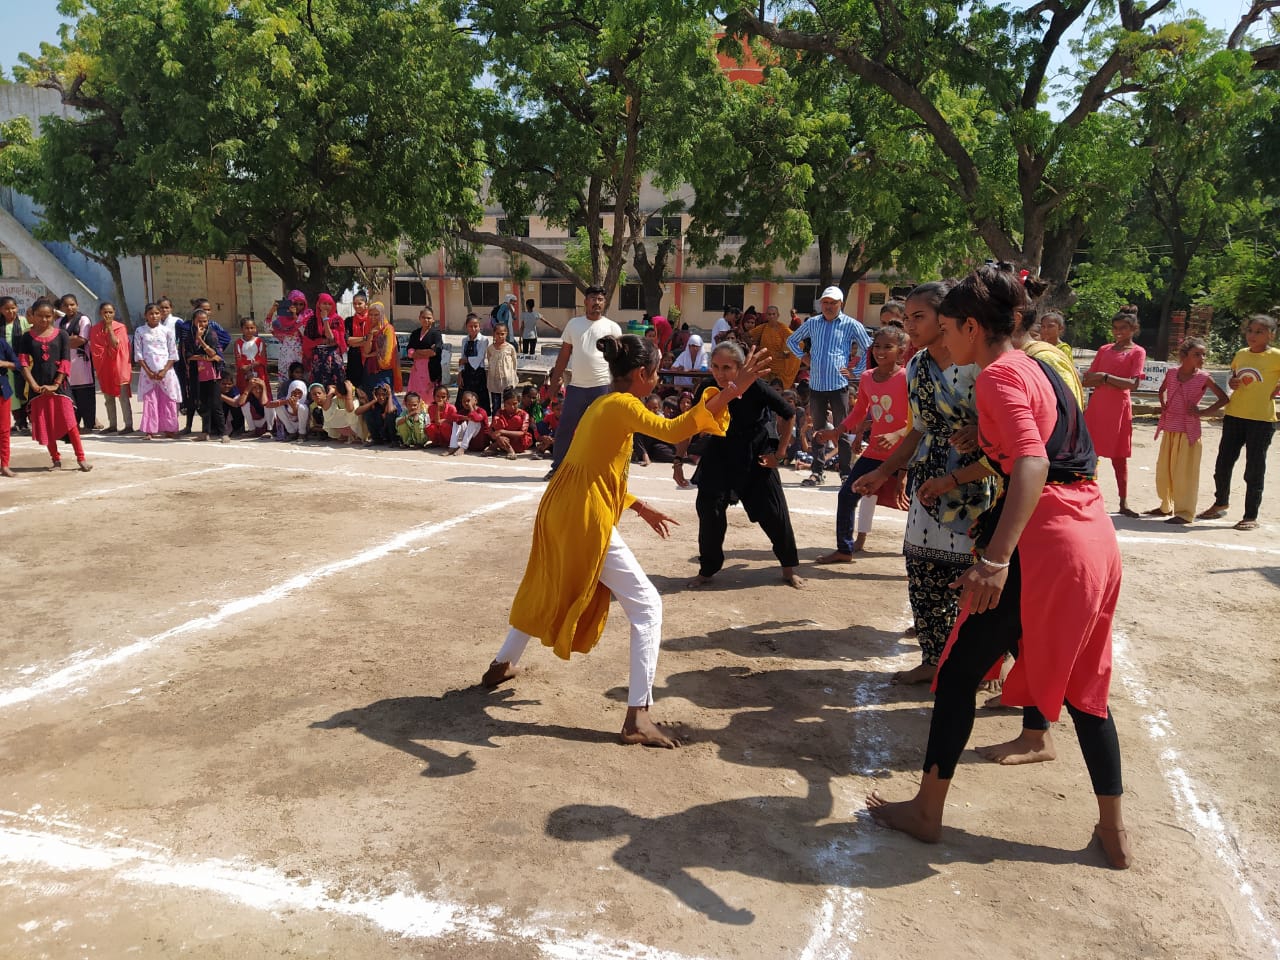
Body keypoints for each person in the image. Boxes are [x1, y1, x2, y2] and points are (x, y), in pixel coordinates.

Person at [867, 264, 1132, 872]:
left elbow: (1033, 466)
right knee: (1087, 689)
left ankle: (927, 812)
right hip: (1091, 536)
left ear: (968, 326)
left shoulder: (998, 376)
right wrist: (967, 465)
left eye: (945, 329)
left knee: (959, 672)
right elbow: (1042, 454)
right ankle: (1113, 832)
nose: (938, 341)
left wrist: (993, 559)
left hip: (1045, 544)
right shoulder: (1042, 366)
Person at [481, 334, 771, 747]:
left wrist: (636, 505)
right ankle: (638, 717)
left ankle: (502, 664)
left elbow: (592, 467)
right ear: (643, 375)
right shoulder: (623, 404)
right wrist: (731, 392)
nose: (656, 378)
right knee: (648, 606)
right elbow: (674, 432)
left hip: (560, 506)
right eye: (656, 371)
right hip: (582, 514)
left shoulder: (602, 402)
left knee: (548, 582)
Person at [853, 281, 995, 684]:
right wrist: (884, 472)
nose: (910, 326)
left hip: (975, 483)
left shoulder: (977, 364)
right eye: (907, 318)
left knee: (971, 575)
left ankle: (980, 666)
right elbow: (919, 428)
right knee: (922, 569)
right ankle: (934, 658)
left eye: (920, 317)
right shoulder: (916, 366)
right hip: (927, 480)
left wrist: (980, 429)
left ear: (945, 318)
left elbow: (1005, 426)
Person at [676, 341, 803, 589]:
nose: (719, 373)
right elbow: (688, 424)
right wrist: (678, 461)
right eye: (715, 366)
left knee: (774, 515)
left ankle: (789, 569)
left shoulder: (756, 386)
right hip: (720, 453)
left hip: (756, 455)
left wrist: (780, 454)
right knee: (709, 509)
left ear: (740, 367)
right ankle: (707, 570)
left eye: (726, 367)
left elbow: (789, 413)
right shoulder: (708, 387)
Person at [815, 325, 911, 562]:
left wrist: (898, 435)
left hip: (907, 453)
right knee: (847, 494)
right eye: (877, 346)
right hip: (876, 453)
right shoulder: (867, 377)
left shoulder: (908, 377)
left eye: (888, 347)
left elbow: (917, 419)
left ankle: (919, 556)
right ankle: (844, 549)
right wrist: (837, 431)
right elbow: (860, 411)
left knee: (916, 505)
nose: (880, 351)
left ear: (901, 351)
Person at [1198, 314, 1280, 530]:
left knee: (1254, 469)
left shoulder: (1276, 357)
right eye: (1250, 330)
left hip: (1261, 420)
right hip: (1235, 415)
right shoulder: (1241, 354)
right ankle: (1220, 503)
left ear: (1271, 335)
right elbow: (1233, 378)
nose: (1252, 335)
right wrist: (1233, 382)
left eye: (1259, 332)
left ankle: (1250, 515)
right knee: (1223, 464)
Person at [786, 286, 872, 487]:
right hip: (816, 384)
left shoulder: (851, 324)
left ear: (841, 304)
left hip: (839, 384)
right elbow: (791, 340)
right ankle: (817, 472)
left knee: (842, 427)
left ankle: (845, 472)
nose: (829, 306)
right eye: (825, 302)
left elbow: (868, 347)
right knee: (818, 429)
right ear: (821, 304)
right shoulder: (814, 323)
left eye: (833, 303)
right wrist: (803, 357)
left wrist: (856, 372)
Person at [1142, 338, 1228, 525]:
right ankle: (1166, 505)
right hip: (1170, 429)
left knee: (1185, 474)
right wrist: (1164, 405)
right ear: (1184, 356)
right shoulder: (1172, 373)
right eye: (1197, 354)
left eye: (1203, 354)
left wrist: (1202, 412)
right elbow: (1162, 390)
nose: (1202, 358)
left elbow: (1223, 398)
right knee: (1165, 471)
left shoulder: (1204, 377)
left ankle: (1184, 512)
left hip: (1189, 432)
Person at [544, 286, 622, 480]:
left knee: (604, 430)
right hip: (577, 387)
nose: (597, 302)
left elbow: (620, 359)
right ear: (585, 302)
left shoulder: (613, 327)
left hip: (603, 386)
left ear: (604, 303)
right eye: (593, 299)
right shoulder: (574, 324)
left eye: (600, 299)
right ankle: (558, 468)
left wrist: (620, 387)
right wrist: (552, 386)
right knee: (565, 428)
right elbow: (563, 356)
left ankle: (605, 469)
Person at [1083, 305, 1146, 517]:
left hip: (1119, 407)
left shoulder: (1137, 352)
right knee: (1091, 453)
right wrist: (1104, 378)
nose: (1119, 331)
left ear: (1133, 328)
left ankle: (1123, 501)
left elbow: (1133, 383)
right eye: (1116, 327)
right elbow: (1088, 378)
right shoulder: (1104, 350)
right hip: (1099, 404)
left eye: (1124, 327)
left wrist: (1105, 378)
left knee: (1119, 456)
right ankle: (1088, 497)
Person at [16, 297, 92, 471]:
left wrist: (56, 384)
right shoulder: (27, 337)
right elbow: (23, 363)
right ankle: (55, 460)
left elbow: (66, 361)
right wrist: (34, 385)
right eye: (40, 316)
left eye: (48, 316)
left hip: (60, 387)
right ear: (32, 316)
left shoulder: (62, 335)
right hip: (38, 388)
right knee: (46, 423)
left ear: (53, 316)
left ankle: (81, 458)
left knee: (70, 423)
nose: (44, 320)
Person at [134, 302, 182, 440]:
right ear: (145, 316)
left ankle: (170, 428)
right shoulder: (140, 331)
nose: (154, 316)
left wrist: (164, 370)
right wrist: (148, 371)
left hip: (166, 371)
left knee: (168, 399)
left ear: (161, 315)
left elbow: (173, 352)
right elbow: (138, 353)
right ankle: (150, 430)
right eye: (151, 314)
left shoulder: (167, 331)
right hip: (148, 371)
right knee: (150, 400)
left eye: (157, 313)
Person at [88, 302, 134, 434]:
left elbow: (116, 345)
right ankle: (112, 424)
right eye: (105, 312)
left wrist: (109, 328)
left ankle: (128, 425)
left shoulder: (120, 327)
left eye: (110, 312)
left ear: (114, 313)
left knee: (123, 396)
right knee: (108, 398)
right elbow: (96, 349)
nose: (107, 315)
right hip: (104, 365)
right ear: (100, 313)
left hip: (119, 365)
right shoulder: (95, 329)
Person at [186, 309, 228, 443]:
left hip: (212, 375)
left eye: (204, 321)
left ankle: (223, 433)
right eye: (199, 321)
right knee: (202, 404)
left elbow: (214, 354)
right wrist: (205, 356)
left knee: (216, 404)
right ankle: (205, 432)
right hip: (197, 375)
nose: (202, 324)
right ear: (193, 321)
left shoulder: (212, 334)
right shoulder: (189, 336)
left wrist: (200, 340)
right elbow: (189, 356)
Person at [57, 294, 96, 432]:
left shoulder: (83, 319)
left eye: (72, 304)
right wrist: (70, 339)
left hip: (81, 362)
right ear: (62, 307)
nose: (69, 307)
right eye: (66, 305)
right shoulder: (60, 322)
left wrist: (65, 340)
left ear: (77, 305)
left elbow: (82, 339)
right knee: (70, 395)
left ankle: (89, 424)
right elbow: (56, 340)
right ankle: (73, 424)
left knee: (85, 395)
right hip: (67, 362)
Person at [749, 304, 803, 390]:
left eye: (774, 314)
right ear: (766, 316)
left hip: (779, 368)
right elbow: (748, 335)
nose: (771, 316)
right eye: (769, 314)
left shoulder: (783, 329)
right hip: (764, 365)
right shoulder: (762, 328)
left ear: (778, 315)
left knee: (777, 391)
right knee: (764, 390)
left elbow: (798, 341)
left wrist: (785, 353)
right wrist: (755, 347)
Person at [304, 293, 347, 388]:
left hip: (333, 357)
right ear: (319, 304)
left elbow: (331, 337)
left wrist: (325, 320)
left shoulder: (337, 320)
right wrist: (321, 341)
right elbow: (307, 341)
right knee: (319, 386)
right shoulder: (312, 320)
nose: (327, 306)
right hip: (318, 358)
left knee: (336, 385)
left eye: (329, 304)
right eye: (324, 303)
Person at [269, 291, 308, 395]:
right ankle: (282, 407)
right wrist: (272, 310)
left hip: (301, 354)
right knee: (284, 381)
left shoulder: (307, 317)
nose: (298, 307)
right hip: (285, 355)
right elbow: (267, 327)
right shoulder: (281, 320)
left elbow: (305, 333)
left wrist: (296, 317)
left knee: (300, 381)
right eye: (295, 304)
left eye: (301, 304)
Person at [2, 297, 30, 434]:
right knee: (11, 395)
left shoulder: (23, 321)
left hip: (21, 364)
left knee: (23, 392)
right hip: (5, 367)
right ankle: (19, 421)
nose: (10, 311)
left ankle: (25, 422)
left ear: (17, 308)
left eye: (13, 308)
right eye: (6, 308)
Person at [360, 302, 401, 394]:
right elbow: (366, 350)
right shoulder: (369, 329)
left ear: (382, 314)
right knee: (370, 397)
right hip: (369, 369)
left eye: (376, 315)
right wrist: (370, 334)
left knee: (385, 398)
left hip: (383, 369)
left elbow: (385, 352)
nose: (373, 317)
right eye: (370, 314)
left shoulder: (388, 329)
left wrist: (369, 354)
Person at [406, 308, 444, 397]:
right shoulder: (415, 333)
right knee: (415, 397)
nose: (426, 320)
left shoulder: (436, 334)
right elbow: (410, 352)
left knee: (431, 397)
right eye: (423, 317)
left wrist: (417, 351)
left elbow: (434, 352)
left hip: (431, 370)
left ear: (433, 319)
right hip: (416, 371)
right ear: (419, 318)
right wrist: (425, 352)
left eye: (429, 318)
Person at [487, 388, 533, 459]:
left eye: (515, 404)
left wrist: (503, 432)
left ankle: (498, 447)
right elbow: (491, 429)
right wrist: (498, 437)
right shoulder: (500, 412)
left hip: (518, 442)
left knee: (516, 420)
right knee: (499, 425)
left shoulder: (524, 414)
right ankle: (506, 448)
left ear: (518, 402)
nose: (512, 407)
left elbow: (522, 433)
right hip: (502, 440)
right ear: (504, 404)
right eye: (508, 404)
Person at [456, 314, 489, 412]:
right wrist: (460, 373)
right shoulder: (464, 340)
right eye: (471, 326)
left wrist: (466, 360)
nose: (473, 328)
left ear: (479, 327)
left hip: (478, 373)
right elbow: (462, 357)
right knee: (464, 399)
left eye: (476, 326)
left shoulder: (483, 340)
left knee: (478, 400)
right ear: (466, 327)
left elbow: (479, 358)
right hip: (466, 373)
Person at [485, 323, 519, 413]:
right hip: (494, 380)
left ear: (506, 334)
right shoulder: (490, 348)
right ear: (494, 334)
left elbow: (514, 363)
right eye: (498, 333)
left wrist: (512, 375)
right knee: (496, 405)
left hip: (507, 381)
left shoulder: (510, 348)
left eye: (502, 334)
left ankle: (509, 423)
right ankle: (495, 423)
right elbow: (489, 360)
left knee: (508, 403)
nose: (500, 336)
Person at [233, 317, 270, 395]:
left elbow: (263, 357)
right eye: (246, 328)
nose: (249, 330)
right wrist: (246, 368)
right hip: (244, 371)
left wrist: (253, 364)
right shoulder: (238, 342)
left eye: (252, 328)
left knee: (260, 391)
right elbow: (238, 358)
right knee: (245, 392)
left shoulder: (259, 341)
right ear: (241, 329)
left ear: (255, 328)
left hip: (258, 370)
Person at [447, 390, 489, 454]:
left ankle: (463, 447)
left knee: (473, 420)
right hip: (470, 443)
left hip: (481, 442)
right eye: (464, 401)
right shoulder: (464, 411)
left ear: (475, 401)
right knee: (456, 421)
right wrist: (464, 417)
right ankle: (453, 446)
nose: (466, 403)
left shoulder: (482, 411)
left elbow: (476, 418)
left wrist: (471, 407)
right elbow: (452, 417)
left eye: (468, 401)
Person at [0, 327, 17, 476]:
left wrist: (3, 364)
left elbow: (16, 364)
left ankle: (4, 465)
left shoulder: (2, 343)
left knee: (4, 430)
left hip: (2, 391)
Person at [345, 292, 371, 386]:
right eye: (354, 303)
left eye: (359, 303)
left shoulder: (372, 319)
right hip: (354, 360)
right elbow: (347, 340)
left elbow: (374, 340)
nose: (357, 306)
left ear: (366, 304)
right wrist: (366, 339)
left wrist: (355, 341)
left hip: (370, 358)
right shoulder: (349, 321)